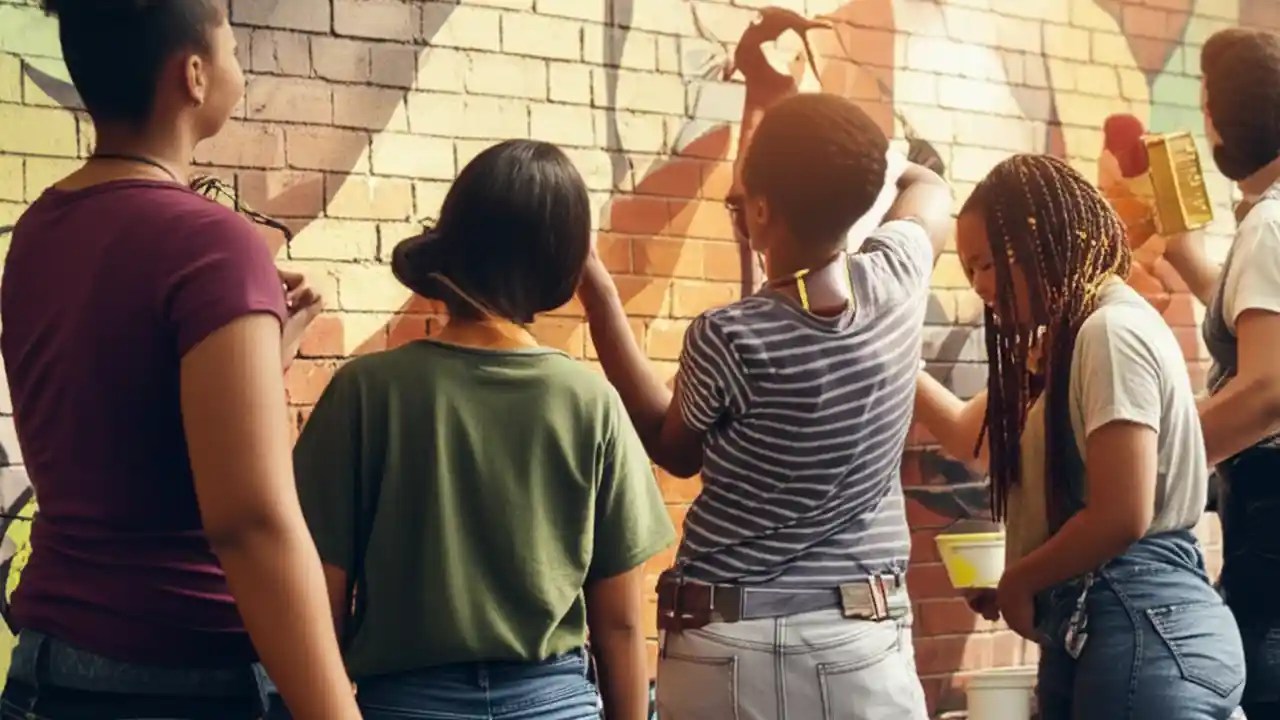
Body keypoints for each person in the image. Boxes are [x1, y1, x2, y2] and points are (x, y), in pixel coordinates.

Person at [0, 1, 358, 719]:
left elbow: (131, 422)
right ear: (193, 75)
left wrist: (263, 348)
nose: (239, 66)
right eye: (231, 46)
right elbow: (250, 522)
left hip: (50, 673)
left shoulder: (39, 229)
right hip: (183, 681)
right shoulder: (212, 243)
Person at [577, 92, 952, 719]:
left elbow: (674, 449)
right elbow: (928, 185)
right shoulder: (898, 280)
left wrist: (600, 296)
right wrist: (861, 163)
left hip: (724, 640)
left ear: (760, 209)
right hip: (858, 637)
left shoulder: (729, 335)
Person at [292, 139, 675, 720]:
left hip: (405, 705)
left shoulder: (365, 392)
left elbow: (318, 600)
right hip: (555, 703)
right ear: (565, 263)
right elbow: (620, 623)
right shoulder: (592, 403)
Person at [913, 154, 1245, 719]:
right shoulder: (1082, 336)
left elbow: (1122, 515)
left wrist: (1021, 580)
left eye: (988, 264)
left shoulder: (1110, 331)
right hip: (1117, 620)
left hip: (1138, 621)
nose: (980, 287)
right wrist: (1035, 580)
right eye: (969, 271)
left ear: (1038, 242)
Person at [1157, 27, 1280, 719]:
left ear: (1219, 119)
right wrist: (1184, 253)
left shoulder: (1268, 225)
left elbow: (1266, 391)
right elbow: (1259, 332)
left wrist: (1162, 459)